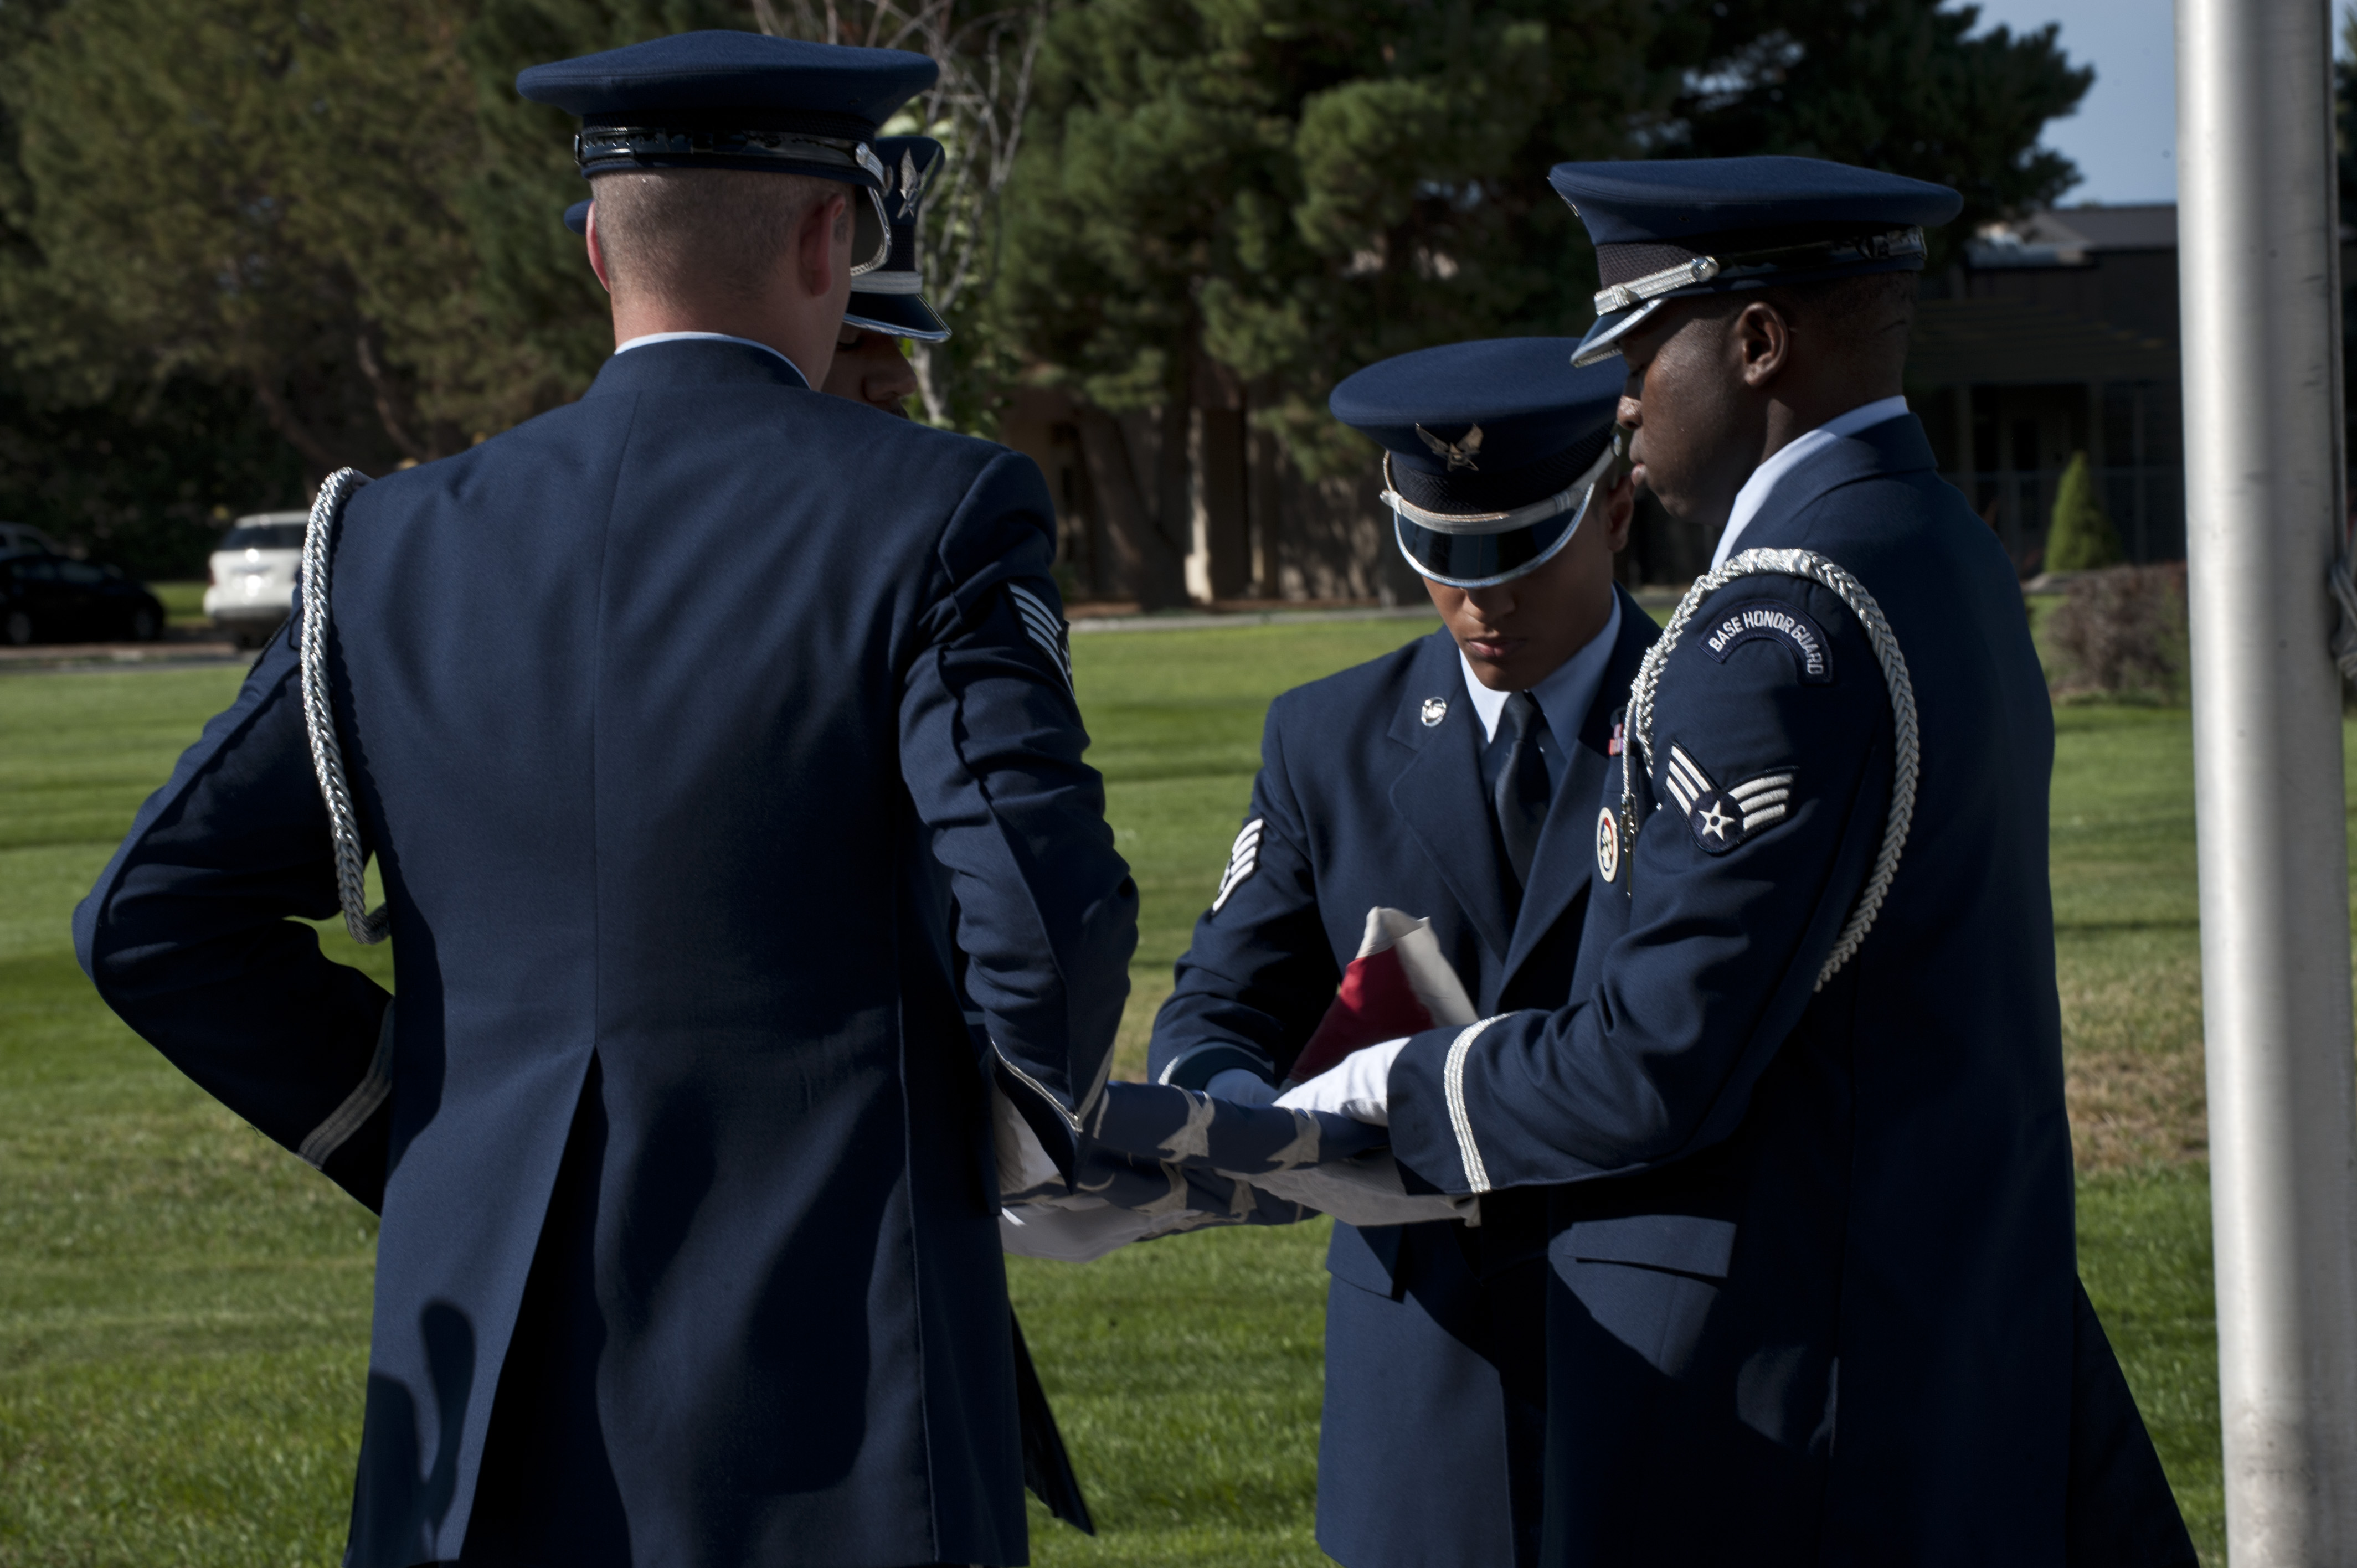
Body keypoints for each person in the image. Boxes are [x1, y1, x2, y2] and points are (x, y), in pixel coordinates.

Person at [75, 30, 1136, 1568]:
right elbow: (1043, 921)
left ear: (593, 248)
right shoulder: (936, 505)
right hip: (836, 1366)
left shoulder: (391, 544)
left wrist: (437, 1140)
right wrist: (1010, 1158)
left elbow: (154, 924)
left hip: (487, 1378)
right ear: (833, 233)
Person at [1283, 156, 2195, 1565]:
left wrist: (1394, 1084)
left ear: (1758, 343)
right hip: (1928, 1318)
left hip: (1771, 1388)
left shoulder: (1773, 626)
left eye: (1641, 343)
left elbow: (1658, 1059)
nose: (1622, 392)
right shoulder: (1940, 549)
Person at [1149, 339, 1657, 1568]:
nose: (1482, 602)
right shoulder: (1328, 737)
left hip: (1655, 1352)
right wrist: (1227, 1111)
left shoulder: (1699, 716)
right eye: (1444, 558)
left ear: (1617, 508)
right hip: (1420, 1366)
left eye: (1519, 552)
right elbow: (1224, 996)